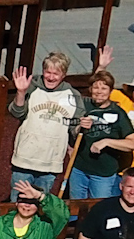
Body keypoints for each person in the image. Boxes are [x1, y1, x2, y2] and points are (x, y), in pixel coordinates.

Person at [7, 53, 80, 198]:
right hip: (24, 159)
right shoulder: (32, 87)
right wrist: (21, 92)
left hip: (50, 162)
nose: (51, 77)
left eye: (56, 74)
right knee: (17, 202)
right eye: (48, 72)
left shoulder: (73, 95)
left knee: (41, 204)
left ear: (64, 75)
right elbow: (17, 113)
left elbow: (75, 127)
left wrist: (81, 126)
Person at [67, 70, 134, 200]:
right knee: (74, 208)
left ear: (111, 91)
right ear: (90, 89)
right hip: (78, 169)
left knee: (98, 208)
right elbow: (69, 129)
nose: (99, 91)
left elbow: (133, 143)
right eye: (96, 87)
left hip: (103, 174)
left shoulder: (118, 113)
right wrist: (79, 128)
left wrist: (106, 141)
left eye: (104, 88)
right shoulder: (82, 106)